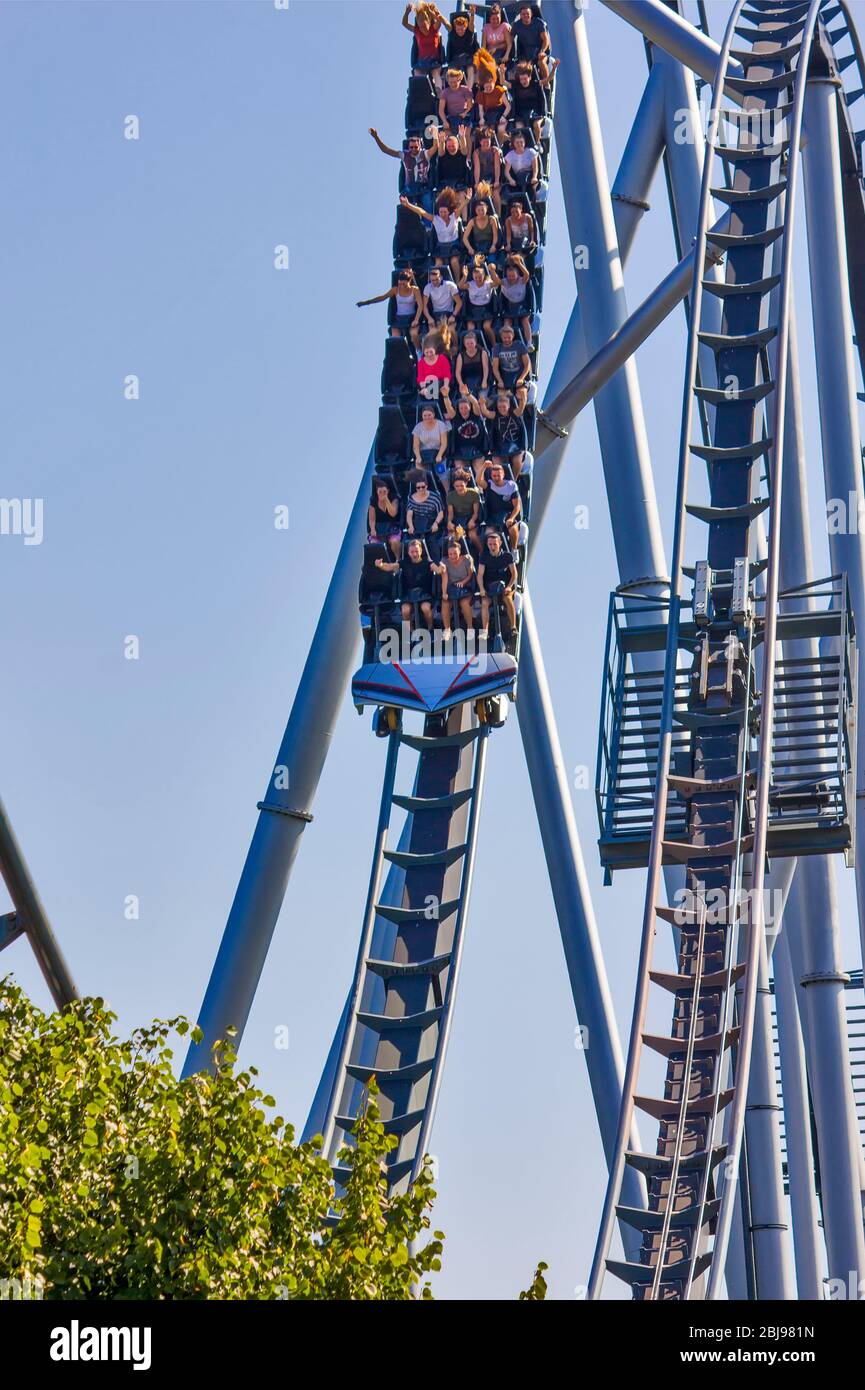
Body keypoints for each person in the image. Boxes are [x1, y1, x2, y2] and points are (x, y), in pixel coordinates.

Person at [375, 537, 436, 632]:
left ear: (421, 550)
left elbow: (438, 570)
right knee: (405, 610)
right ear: (408, 552)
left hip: (424, 594)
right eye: (412, 552)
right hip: (408, 594)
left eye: (416, 551)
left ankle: (430, 628)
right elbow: (390, 567)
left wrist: (441, 568)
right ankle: (410, 631)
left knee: (426, 608)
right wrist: (381, 565)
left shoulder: (427, 562)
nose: (414, 554)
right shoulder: (404, 562)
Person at [400, 188, 462, 280]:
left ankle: (457, 281)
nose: (443, 214)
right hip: (441, 247)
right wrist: (408, 205)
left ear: (449, 212)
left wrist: (467, 200)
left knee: (454, 261)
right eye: (441, 212)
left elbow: (462, 206)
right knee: (438, 264)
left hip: (454, 246)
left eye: (445, 212)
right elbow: (422, 212)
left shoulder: (454, 217)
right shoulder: (436, 219)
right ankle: (433, 284)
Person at [368, 128, 435, 210]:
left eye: (416, 147)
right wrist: (376, 137)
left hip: (423, 187)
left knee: (428, 204)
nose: (413, 149)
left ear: (420, 146)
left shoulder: (425, 154)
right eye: (411, 147)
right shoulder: (404, 155)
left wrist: (435, 135)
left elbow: (435, 147)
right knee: (405, 207)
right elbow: (386, 150)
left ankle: (428, 222)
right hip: (409, 189)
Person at [356, 269, 424, 348]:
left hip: (411, 318)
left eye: (404, 283)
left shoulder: (414, 290)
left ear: (409, 281)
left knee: (414, 335)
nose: (401, 285)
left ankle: (418, 352)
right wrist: (366, 302)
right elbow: (382, 297)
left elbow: (420, 305)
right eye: (400, 283)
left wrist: (416, 319)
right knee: (395, 340)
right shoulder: (395, 290)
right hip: (398, 319)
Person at [442, 382, 487, 481]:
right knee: (460, 471)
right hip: (460, 450)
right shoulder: (456, 417)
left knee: (479, 469)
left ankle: (480, 491)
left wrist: (468, 395)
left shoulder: (475, 414)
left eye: (465, 407)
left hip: (477, 448)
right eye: (461, 408)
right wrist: (446, 396)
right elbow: (449, 408)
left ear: (469, 408)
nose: (463, 410)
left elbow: (475, 403)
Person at [477, 528, 518, 638]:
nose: (492, 547)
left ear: (500, 543)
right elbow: (480, 575)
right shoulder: (484, 556)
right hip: (489, 588)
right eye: (490, 544)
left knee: (508, 599)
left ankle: (513, 627)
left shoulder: (507, 556)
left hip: (504, 588)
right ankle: (485, 631)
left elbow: (514, 574)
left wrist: (509, 586)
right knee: (485, 603)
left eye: (494, 544)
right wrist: (481, 588)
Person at [479, 391, 528, 478]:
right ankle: (501, 480)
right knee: (496, 461)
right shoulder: (495, 415)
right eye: (499, 407)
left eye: (504, 406)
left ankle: (513, 480)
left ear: (509, 406)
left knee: (517, 460)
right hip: (500, 445)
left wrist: (522, 399)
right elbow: (486, 413)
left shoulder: (515, 413)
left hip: (515, 444)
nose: (502, 409)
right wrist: (482, 404)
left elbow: (521, 408)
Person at [433, 536, 476, 634]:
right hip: (451, 588)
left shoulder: (466, 560)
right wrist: (444, 593)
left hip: (465, 586)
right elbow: (444, 578)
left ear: (460, 552)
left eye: (455, 553)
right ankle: (447, 629)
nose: (452, 556)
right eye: (450, 554)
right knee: (445, 603)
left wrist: (463, 582)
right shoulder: (444, 561)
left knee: (464, 603)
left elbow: (470, 575)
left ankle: (470, 627)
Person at [490, 254, 534, 347]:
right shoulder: (505, 282)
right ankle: (507, 343)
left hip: (522, 306)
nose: (511, 278)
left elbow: (527, 274)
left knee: (525, 321)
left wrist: (519, 264)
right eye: (509, 276)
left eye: (513, 275)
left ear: (517, 274)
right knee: (507, 323)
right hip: (509, 307)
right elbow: (497, 281)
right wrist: (492, 271)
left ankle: (529, 342)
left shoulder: (522, 280)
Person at [402, 2, 449, 89]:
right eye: (419, 22)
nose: (422, 26)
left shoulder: (434, 29)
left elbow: (439, 20)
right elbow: (404, 23)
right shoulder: (417, 31)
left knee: (436, 73)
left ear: (428, 21)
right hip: (421, 63)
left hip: (434, 62)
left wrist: (430, 11)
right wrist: (407, 12)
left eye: (424, 22)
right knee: (417, 72)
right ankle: (418, 91)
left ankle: (439, 90)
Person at [458, 255, 496, 348]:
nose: (478, 279)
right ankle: (476, 347)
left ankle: (494, 345)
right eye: (476, 277)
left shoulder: (487, 284)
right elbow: (460, 286)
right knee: (470, 329)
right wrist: (464, 276)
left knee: (486, 326)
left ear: (484, 276)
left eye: (480, 277)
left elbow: (498, 283)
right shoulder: (471, 284)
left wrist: (493, 272)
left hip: (486, 310)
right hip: (473, 311)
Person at [434, 128, 473, 215]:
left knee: (462, 196)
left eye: (453, 146)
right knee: (441, 197)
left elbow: (464, 148)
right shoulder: (443, 155)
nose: (451, 148)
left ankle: (464, 222)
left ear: (457, 145)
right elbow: (440, 152)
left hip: (460, 183)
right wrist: (441, 142)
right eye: (449, 146)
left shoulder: (461, 153)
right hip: (445, 184)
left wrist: (462, 137)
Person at [405, 473, 445, 558]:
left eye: (423, 487)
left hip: (431, 525)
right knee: (414, 543)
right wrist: (411, 526)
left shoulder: (434, 497)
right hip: (417, 526)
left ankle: (437, 563)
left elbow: (440, 513)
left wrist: (436, 523)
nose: (421, 489)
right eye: (418, 487)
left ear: (426, 486)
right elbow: (409, 515)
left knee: (432, 541)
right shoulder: (411, 499)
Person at [509, 62, 551, 143]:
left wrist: (553, 69)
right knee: (519, 127)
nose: (523, 81)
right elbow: (503, 82)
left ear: (529, 77)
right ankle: (525, 144)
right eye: (521, 79)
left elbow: (548, 79)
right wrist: (502, 72)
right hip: (521, 113)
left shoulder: (535, 84)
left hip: (536, 112)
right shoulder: (517, 86)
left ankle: (537, 143)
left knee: (536, 125)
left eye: (525, 79)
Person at [492, 322, 531, 406]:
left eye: (508, 337)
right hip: (505, 377)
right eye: (504, 338)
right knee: (502, 398)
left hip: (518, 375)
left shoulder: (519, 345)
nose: (506, 339)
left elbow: (527, 364)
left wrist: (521, 378)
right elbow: (495, 368)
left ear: (513, 336)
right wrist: (499, 380)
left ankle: (520, 413)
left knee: (521, 393)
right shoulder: (497, 348)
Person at [446, 466, 482, 552]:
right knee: (451, 537)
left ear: (466, 483)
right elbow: (451, 513)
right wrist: (449, 522)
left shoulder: (473, 493)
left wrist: (472, 520)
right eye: (456, 486)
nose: (459, 488)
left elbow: (476, 513)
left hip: (470, 518)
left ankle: (482, 553)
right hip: (458, 520)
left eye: (461, 485)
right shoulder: (450, 496)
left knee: (472, 535)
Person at [512, 4, 552, 82]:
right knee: (519, 67)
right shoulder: (517, 25)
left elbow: (545, 40)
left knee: (541, 62)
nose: (525, 16)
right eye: (523, 14)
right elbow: (510, 39)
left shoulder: (539, 23)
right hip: (525, 54)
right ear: (520, 15)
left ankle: (546, 84)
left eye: (527, 13)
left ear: (531, 14)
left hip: (539, 51)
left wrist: (542, 51)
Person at [368, 480, 402, 560]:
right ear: (376, 492)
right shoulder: (373, 502)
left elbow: (393, 513)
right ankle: (381, 563)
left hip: (392, 527)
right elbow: (372, 519)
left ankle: (398, 560)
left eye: (384, 491)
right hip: (379, 529)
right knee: (373, 544)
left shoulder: (394, 499)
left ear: (388, 491)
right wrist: (373, 529)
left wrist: (386, 500)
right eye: (380, 492)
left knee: (394, 541)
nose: (382, 494)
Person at [446, 6, 479, 84]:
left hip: (468, 57)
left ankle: (469, 89)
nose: (460, 31)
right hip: (456, 59)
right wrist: (439, 16)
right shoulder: (452, 33)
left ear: (465, 27)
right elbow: (446, 24)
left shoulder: (469, 32)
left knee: (470, 68)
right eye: (458, 29)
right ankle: (453, 88)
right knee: (452, 71)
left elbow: (471, 25)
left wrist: (472, 15)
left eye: (462, 29)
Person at [472, 128, 503, 212]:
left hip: (494, 179)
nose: (486, 143)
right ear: (480, 142)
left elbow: (497, 167)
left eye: (487, 141)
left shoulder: (494, 151)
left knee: (496, 194)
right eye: (483, 141)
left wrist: (496, 180)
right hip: (483, 179)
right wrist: (476, 182)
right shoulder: (476, 152)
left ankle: (498, 216)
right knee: (480, 192)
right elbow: (477, 169)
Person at [412, 404, 451, 470]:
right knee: (420, 473)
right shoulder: (418, 427)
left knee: (442, 475)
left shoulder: (441, 425)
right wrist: (418, 457)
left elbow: (444, 443)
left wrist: (439, 455)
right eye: (424, 415)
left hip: (438, 454)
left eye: (429, 415)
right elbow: (416, 445)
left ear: (434, 414)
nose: (427, 417)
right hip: (423, 455)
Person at [474, 72, 510, 142]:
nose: (489, 89)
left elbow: (508, 106)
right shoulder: (481, 93)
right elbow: (481, 110)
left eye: (490, 86)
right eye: (486, 87)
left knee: (501, 130)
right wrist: (481, 118)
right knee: (484, 130)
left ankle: (502, 143)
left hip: (500, 112)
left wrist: (504, 116)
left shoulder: (499, 90)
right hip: (489, 113)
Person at [503, 128, 540, 196]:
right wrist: (510, 179)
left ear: (524, 143)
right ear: (513, 144)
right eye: (517, 142)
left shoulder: (530, 151)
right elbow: (506, 172)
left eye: (521, 142)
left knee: (534, 185)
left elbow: (535, 167)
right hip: (517, 177)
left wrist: (534, 177)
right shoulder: (510, 155)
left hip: (529, 175)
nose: (519, 144)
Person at [455, 327, 490, 398]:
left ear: (475, 343)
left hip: (481, 380)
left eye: (471, 343)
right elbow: (457, 372)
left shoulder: (482, 353)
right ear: (464, 344)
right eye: (467, 343)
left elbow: (486, 369)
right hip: (467, 382)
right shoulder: (461, 355)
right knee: (465, 400)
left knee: (482, 399)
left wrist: (484, 381)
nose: (469, 345)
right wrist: (461, 384)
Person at [482, 2, 513, 77]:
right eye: (493, 19)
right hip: (490, 53)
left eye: (497, 19)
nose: (495, 21)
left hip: (502, 53)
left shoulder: (504, 26)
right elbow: (483, 45)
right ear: (490, 19)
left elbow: (509, 43)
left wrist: (506, 55)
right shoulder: (486, 27)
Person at [417, 333, 453, 397]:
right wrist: (423, 388)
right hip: (426, 385)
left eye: (431, 352)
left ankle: (428, 392)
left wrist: (446, 386)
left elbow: (447, 375)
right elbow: (421, 377)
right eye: (426, 352)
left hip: (440, 384)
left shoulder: (442, 359)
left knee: (438, 384)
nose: (429, 354)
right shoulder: (421, 362)